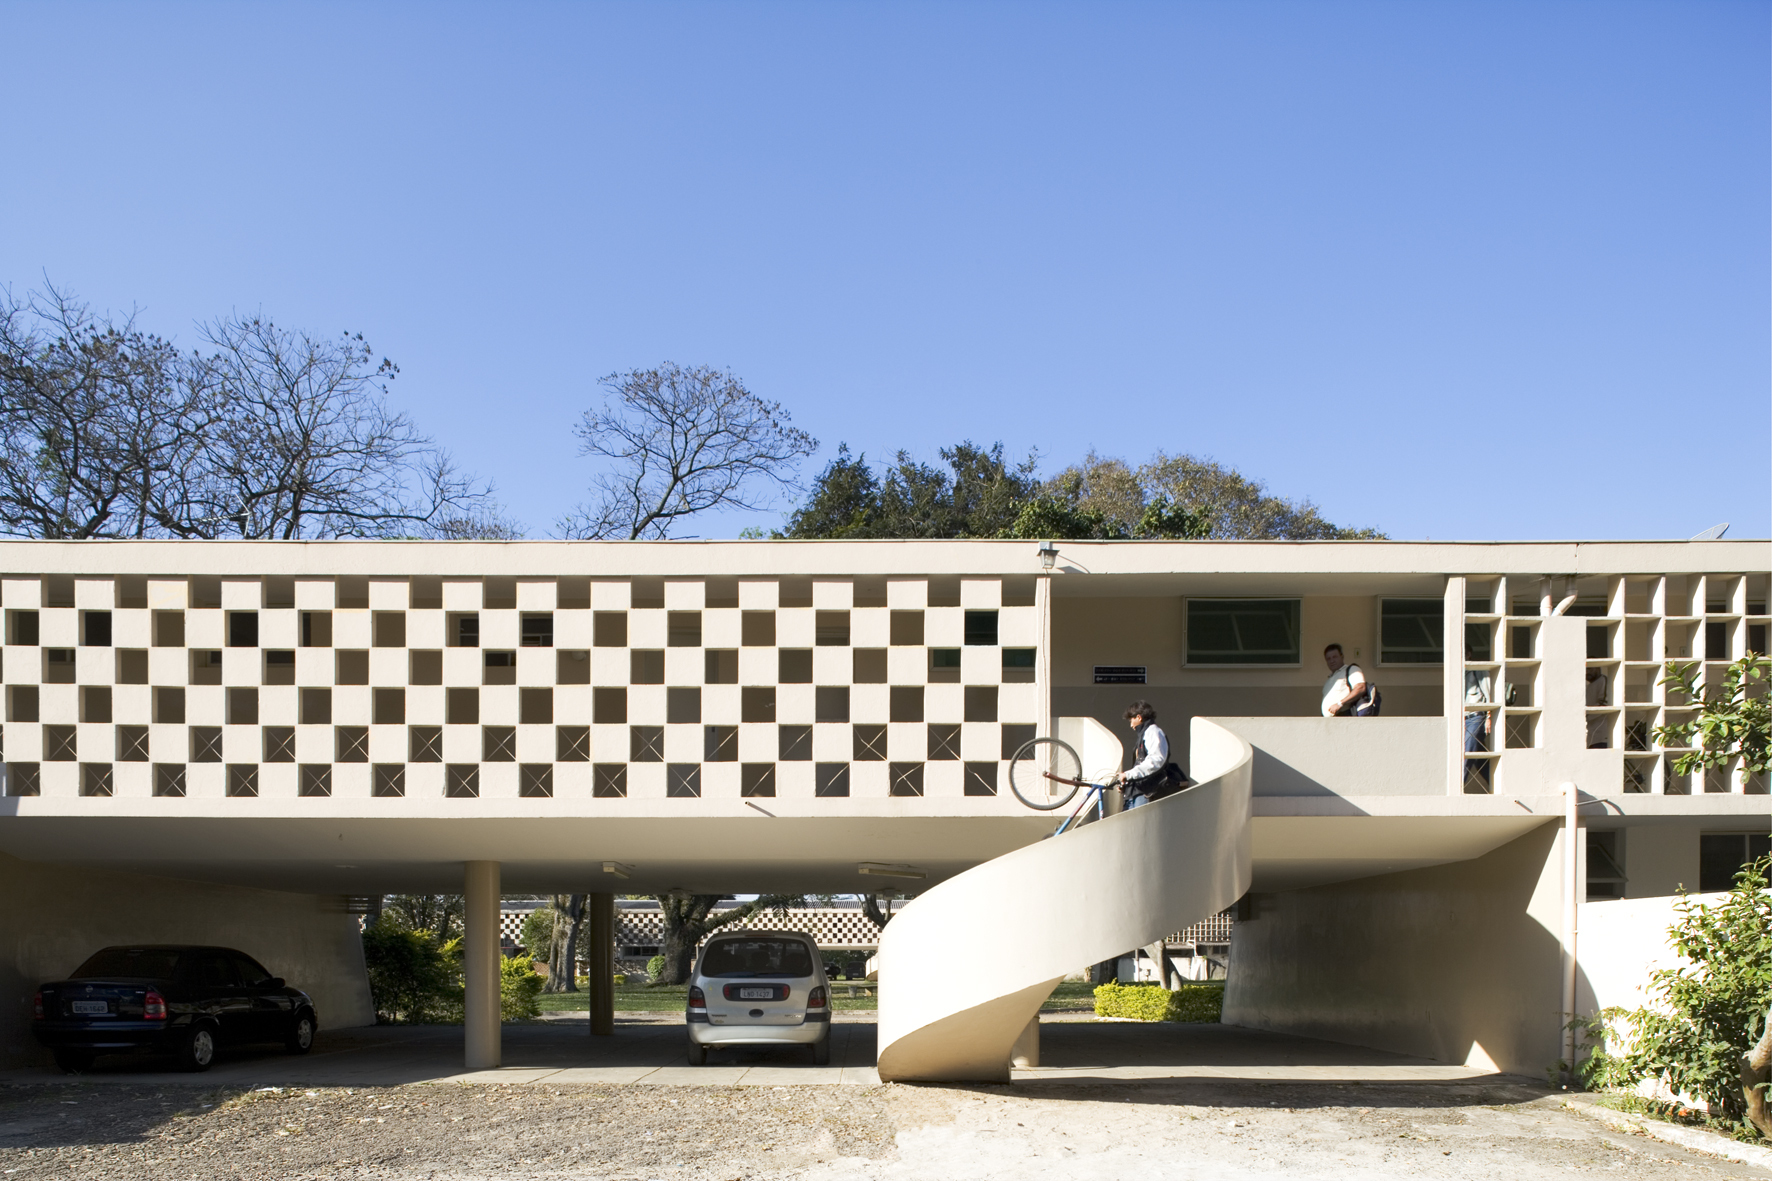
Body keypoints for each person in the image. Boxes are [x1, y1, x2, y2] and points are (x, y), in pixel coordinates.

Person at [1114, 701, 1188, 808]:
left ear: (1139, 717)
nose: (1131, 725)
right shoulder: (1145, 733)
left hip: (1146, 793)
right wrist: (1128, 784)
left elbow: (1156, 760)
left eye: (1131, 720)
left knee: (1138, 823)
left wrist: (1128, 775)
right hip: (1137, 793)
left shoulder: (1153, 732)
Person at [1463, 646, 1494, 789]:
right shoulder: (1459, 672)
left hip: (1476, 717)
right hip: (1465, 719)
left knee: (1467, 753)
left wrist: (1489, 716)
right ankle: (1496, 785)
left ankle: (1458, 787)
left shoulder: (1478, 669)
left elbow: (1489, 694)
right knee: (1479, 759)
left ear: (1469, 654)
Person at [1321, 644, 1379, 717]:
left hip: (1345, 717)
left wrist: (1340, 703)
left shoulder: (1351, 670)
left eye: (1334, 657)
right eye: (1328, 659)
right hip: (1330, 721)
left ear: (1342, 656)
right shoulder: (1330, 678)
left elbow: (1360, 688)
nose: (1332, 661)